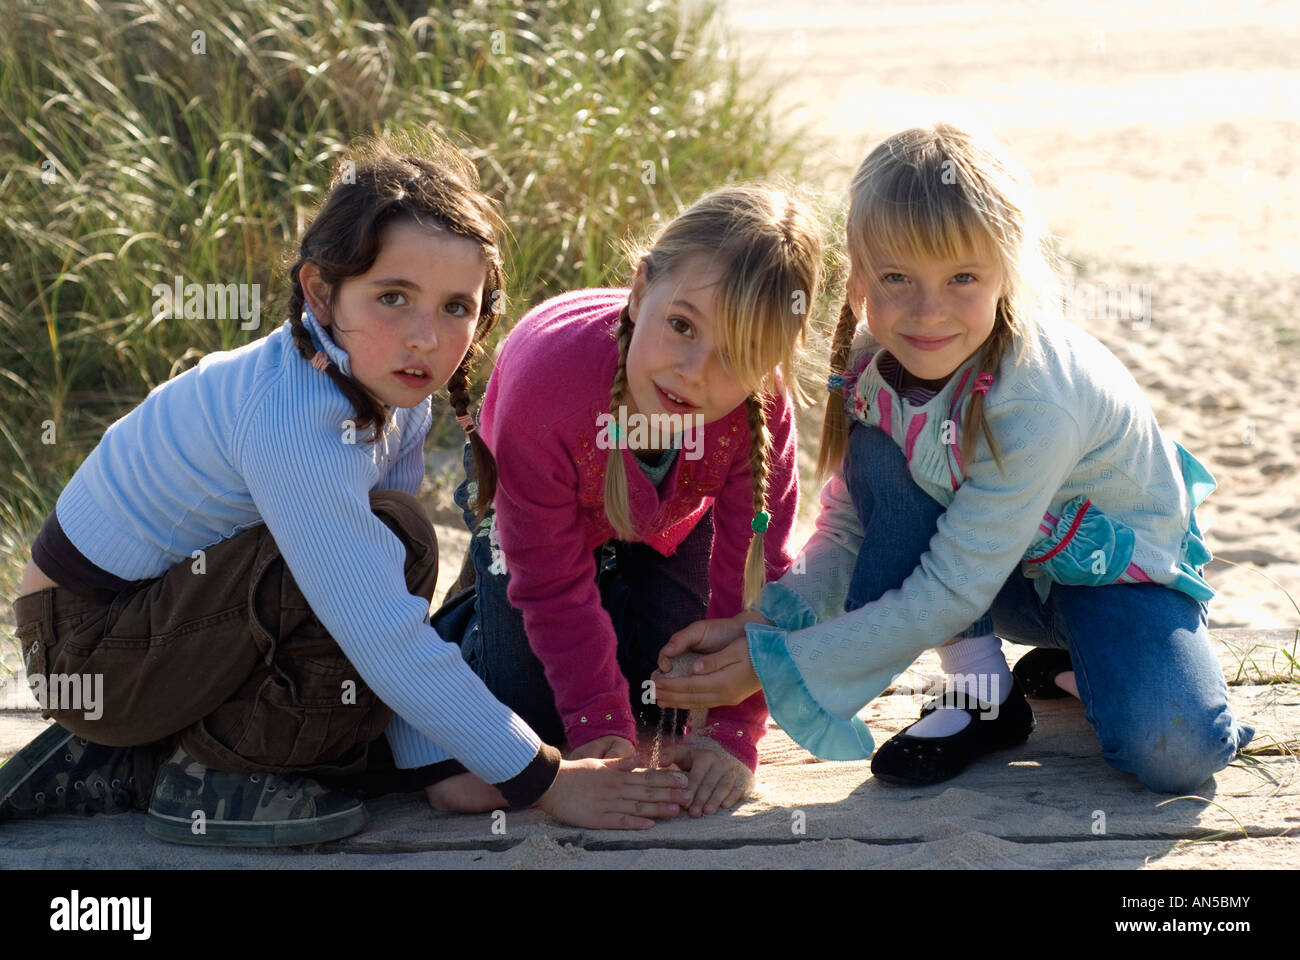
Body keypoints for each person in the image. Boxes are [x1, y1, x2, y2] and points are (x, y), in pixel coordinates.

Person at [1, 131, 691, 844]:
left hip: (163, 625)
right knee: (374, 556)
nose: (425, 336)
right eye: (393, 297)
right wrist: (543, 779)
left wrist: (436, 768)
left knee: (400, 539)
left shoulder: (393, 393)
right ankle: (202, 774)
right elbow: (374, 626)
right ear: (321, 293)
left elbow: (387, 598)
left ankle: (157, 737)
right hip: (87, 646)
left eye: (457, 307)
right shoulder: (294, 414)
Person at [655, 122, 1255, 794]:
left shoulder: (1033, 400)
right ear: (857, 277)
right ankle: (981, 695)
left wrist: (774, 667)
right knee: (887, 460)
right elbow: (854, 527)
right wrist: (766, 623)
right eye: (896, 277)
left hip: (1112, 573)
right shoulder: (873, 370)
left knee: (1174, 753)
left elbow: (949, 589)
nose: (927, 312)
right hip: (995, 574)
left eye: (962, 277)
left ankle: (1083, 666)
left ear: (1008, 270)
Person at [432, 185, 822, 816]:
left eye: (736, 355)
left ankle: (620, 596)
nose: (695, 370)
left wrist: (731, 733)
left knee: (668, 699)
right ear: (641, 292)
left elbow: (754, 580)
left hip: (673, 519)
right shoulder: (551, 385)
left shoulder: (759, 410)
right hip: (538, 525)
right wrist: (597, 730)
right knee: (534, 719)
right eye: (681, 326)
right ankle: (470, 616)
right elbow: (551, 582)